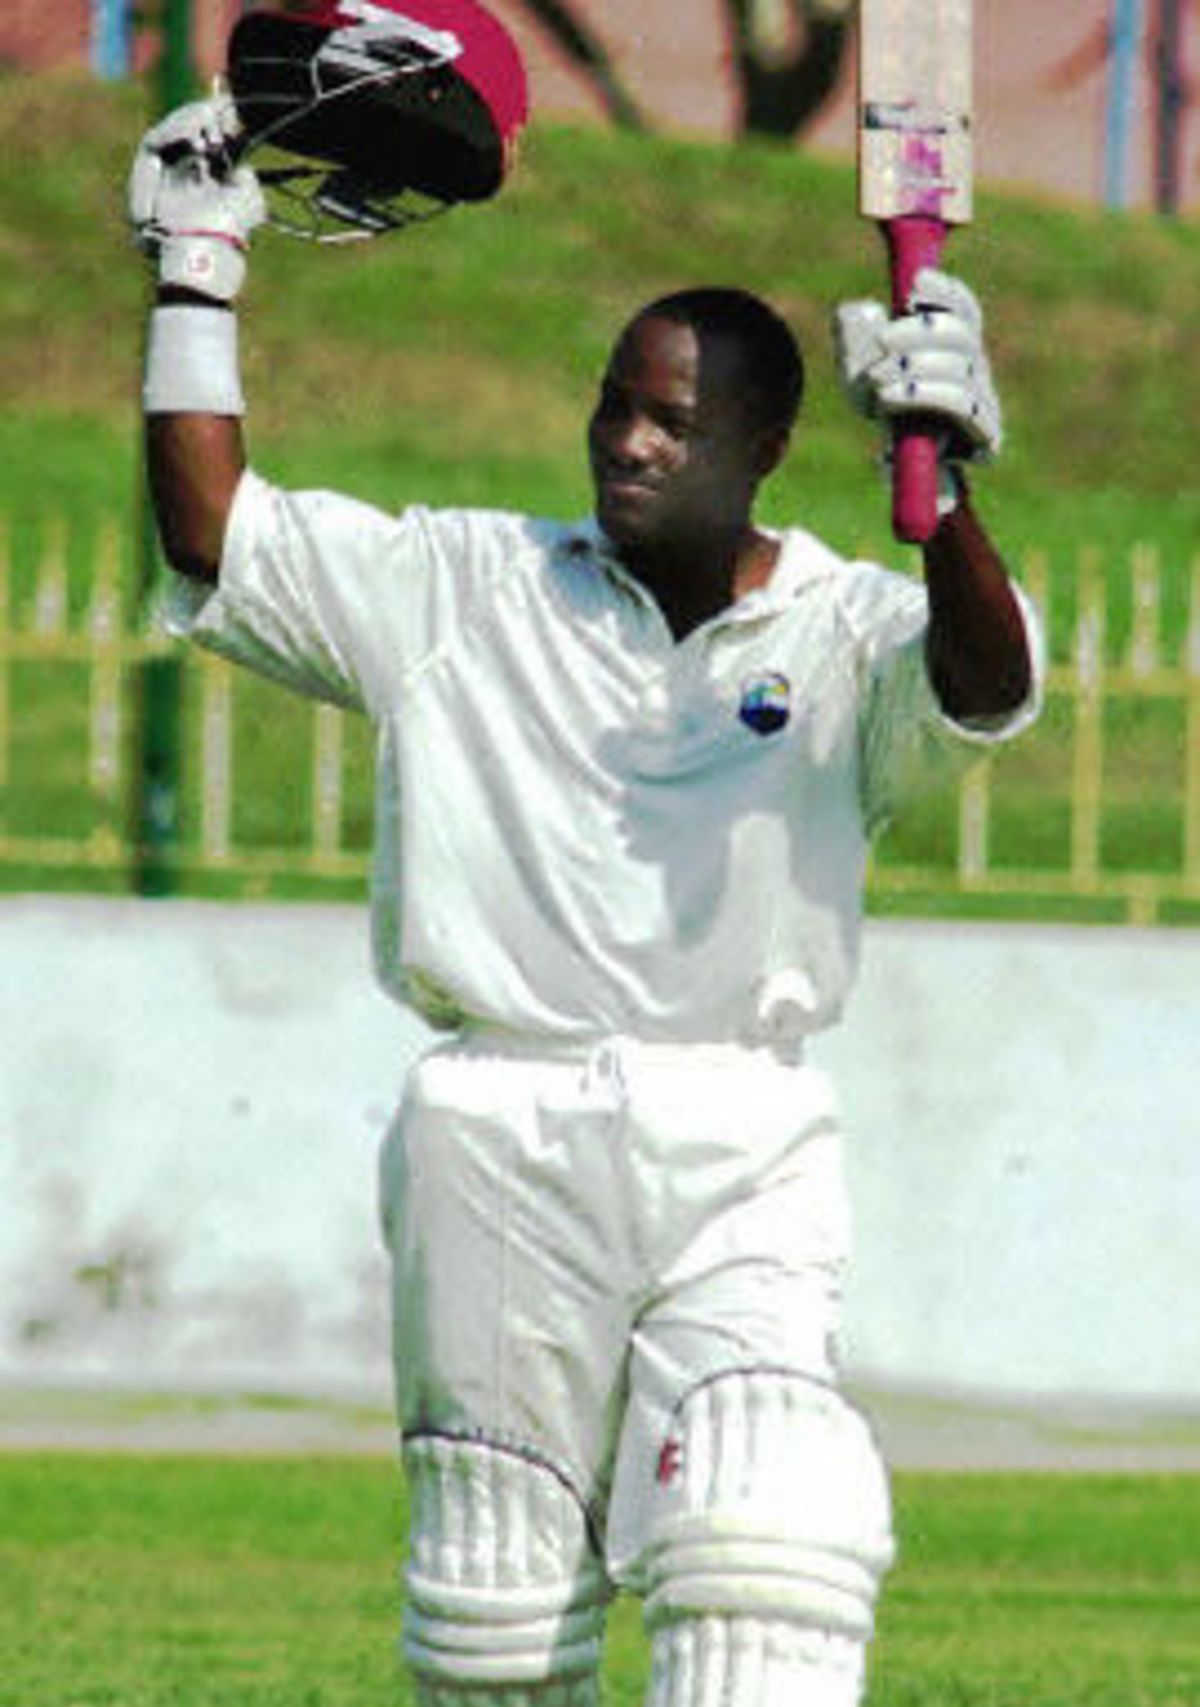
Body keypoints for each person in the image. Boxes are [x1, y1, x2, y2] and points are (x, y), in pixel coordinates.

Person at [129, 92, 1041, 1707]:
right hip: (496, 1126)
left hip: (742, 1135)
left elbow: (986, 682)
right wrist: (197, 278)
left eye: (675, 423)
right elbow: (218, 537)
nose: (629, 441)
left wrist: (949, 483)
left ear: (763, 451)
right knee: (497, 1608)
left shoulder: (840, 630)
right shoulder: (467, 588)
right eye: (617, 407)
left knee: (770, 1535)